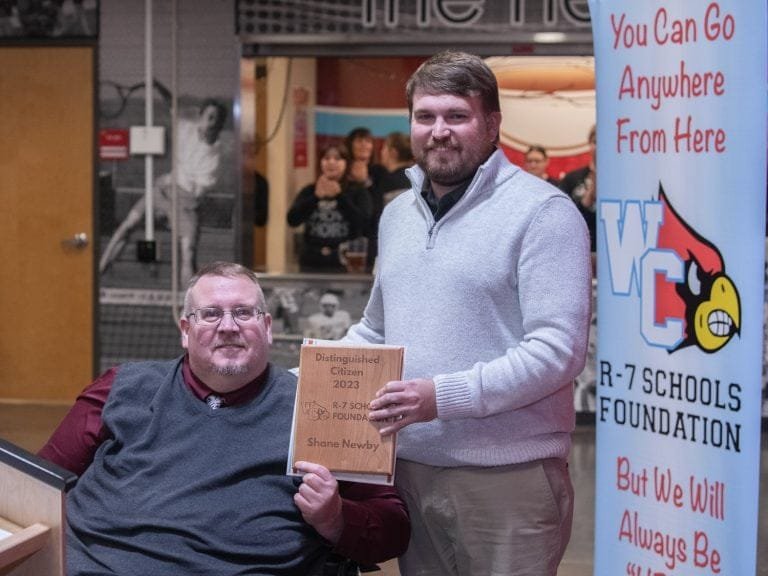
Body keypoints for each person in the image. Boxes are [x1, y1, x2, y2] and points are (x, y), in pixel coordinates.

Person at [342, 51, 592, 576]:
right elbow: (375, 331)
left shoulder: (543, 213)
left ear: (493, 124)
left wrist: (440, 397)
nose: (439, 131)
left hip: (507, 478)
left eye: (457, 116)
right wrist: (296, 379)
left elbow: (557, 350)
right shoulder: (396, 216)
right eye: (425, 116)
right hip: (409, 470)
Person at [38, 261, 410, 575]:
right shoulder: (122, 387)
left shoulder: (324, 406)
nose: (228, 326)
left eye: (243, 313)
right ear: (186, 331)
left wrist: (336, 518)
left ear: (267, 327)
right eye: (211, 314)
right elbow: (36, 482)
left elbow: (394, 528)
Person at [99, 99, 227, 285]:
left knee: (188, 251)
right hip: (162, 191)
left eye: (216, 120)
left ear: (220, 126)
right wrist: (158, 86)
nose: (212, 122)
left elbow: (196, 192)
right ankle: (100, 271)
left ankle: (188, 302)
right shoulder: (186, 128)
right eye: (209, 117)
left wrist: (175, 187)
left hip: (185, 202)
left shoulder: (215, 157)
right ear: (201, 117)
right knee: (127, 225)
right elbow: (173, 105)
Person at [287, 143, 372, 273]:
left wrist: (339, 197)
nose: (331, 162)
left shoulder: (358, 192)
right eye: (326, 158)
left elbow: (364, 224)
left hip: (344, 264)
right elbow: (292, 219)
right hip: (310, 264)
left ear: (346, 163)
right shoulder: (310, 190)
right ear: (320, 163)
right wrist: (315, 197)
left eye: (337, 159)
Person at [367, 131, 415, 270]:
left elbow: (375, 220)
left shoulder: (385, 183)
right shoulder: (421, 180)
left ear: (392, 152)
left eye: (384, 148)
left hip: (387, 256)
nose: (381, 153)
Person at [559, 125, 597, 253]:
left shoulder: (621, 179)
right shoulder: (572, 178)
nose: (599, 147)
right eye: (595, 142)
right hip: (580, 249)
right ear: (589, 144)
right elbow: (564, 217)